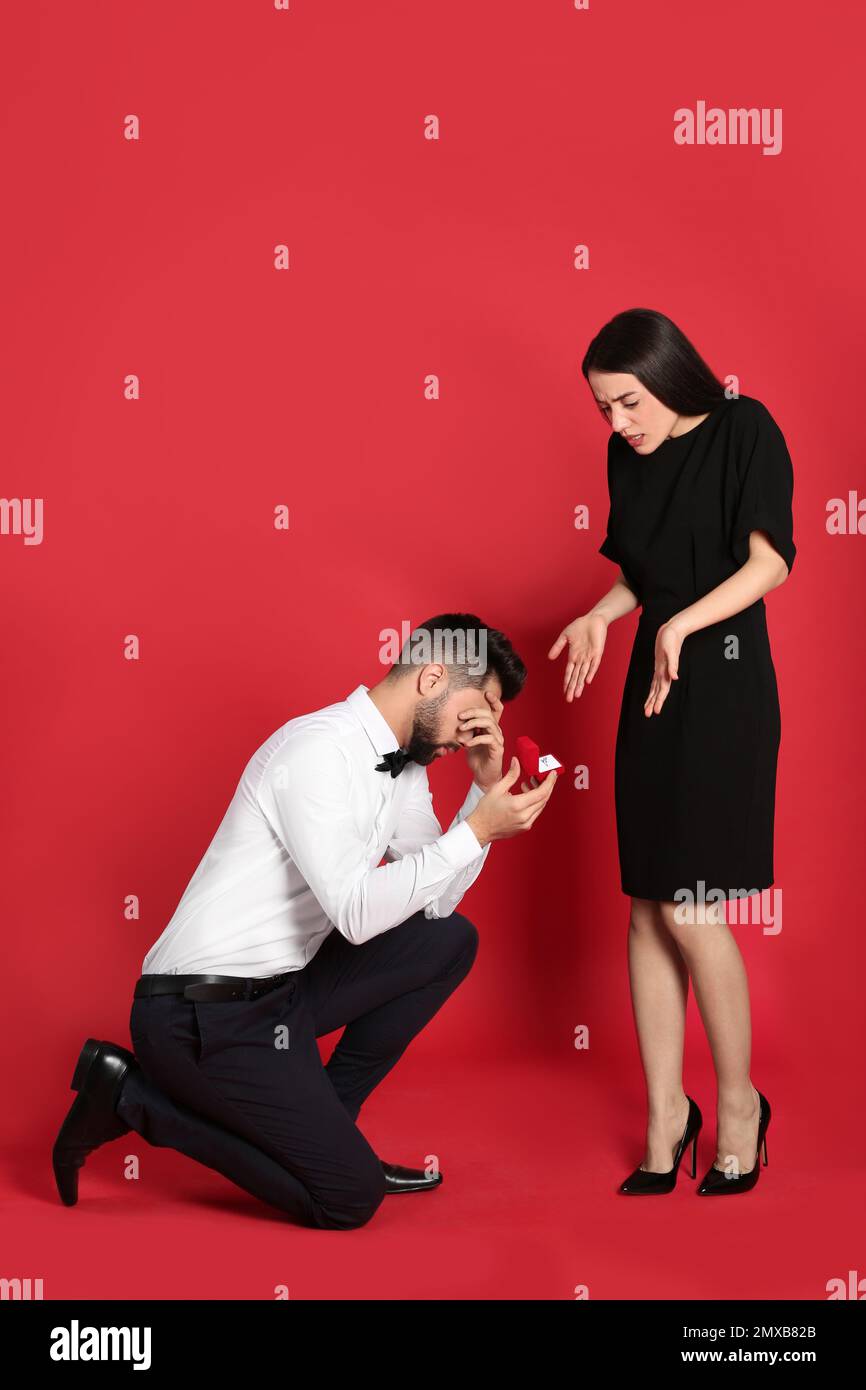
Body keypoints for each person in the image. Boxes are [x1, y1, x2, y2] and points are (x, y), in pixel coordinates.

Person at [52, 614, 558, 1228]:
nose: (484, 730)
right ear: (432, 677)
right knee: (347, 1199)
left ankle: (325, 1128)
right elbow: (354, 914)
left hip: (282, 995)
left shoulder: (405, 769)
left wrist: (480, 796)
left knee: (448, 941)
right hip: (198, 1013)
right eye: (483, 707)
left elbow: (434, 905)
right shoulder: (317, 750)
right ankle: (129, 1097)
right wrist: (479, 831)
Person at [548, 308, 795, 1195]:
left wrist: (682, 626)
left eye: (627, 402)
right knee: (648, 905)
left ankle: (738, 1106)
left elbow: (769, 563)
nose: (617, 424)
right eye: (604, 410)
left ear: (668, 375)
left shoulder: (745, 428)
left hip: (721, 684)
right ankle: (666, 1115)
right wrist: (600, 615)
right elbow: (641, 575)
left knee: (692, 904)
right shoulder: (628, 456)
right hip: (652, 685)